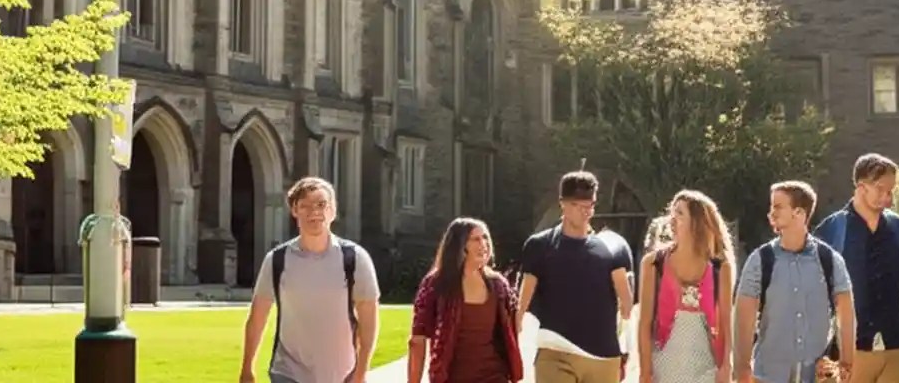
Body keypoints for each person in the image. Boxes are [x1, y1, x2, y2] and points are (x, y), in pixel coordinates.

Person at [239, 176, 380, 383]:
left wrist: (361, 373)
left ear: (332, 211)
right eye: (304, 206)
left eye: (321, 204)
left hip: (342, 374)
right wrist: (247, 367)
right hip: (288, 372)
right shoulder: (277, 260)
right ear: (294, 211)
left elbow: (369, 321)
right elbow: (258, 317)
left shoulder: (354, 259)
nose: (314, 212)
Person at [518, 170, 634, 383]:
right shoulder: (540, 245)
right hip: (555, 348)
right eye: (577, 205)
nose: (585, 211)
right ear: (562, 204)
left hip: (603, 356)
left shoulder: (613, 247)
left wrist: (624, 353)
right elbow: (522, 302)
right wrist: (512, 339)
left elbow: (627, 309)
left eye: (589, 205)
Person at [735, 181, 855, 383]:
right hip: (768, 376)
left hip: (817, 377)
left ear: (799, 213)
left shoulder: (830, 260)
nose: (771, 213)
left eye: (778, 207)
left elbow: (846, 312)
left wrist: (846, 362)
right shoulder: (760, 260)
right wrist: (742, 369)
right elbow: (743, 320)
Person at [813, 154, 899, 383]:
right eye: (881, 190)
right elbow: (817, 295)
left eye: (891, 191)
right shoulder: (832, 230)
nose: (887, 199)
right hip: (850, 350)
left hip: (897, 345)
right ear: (861, 187)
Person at [408, 217, 523, 383]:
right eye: (475, 239)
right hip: (451, 378)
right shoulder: (436, 284)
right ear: (459, 245)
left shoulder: (498, 285)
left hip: (494, 377)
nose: (484, 244)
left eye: (485, 238)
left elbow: (510, 334)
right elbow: (417, 339)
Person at [637, 190, 736, 383]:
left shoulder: (720, 268)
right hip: (663, 368)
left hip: (706, 368)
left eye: (680, 214)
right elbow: (644, 323)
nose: (672, 219)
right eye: (672, 213)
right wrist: (645, 371)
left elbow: (726, 322)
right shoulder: (653, 263)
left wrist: (726, 366)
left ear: (697, 222)